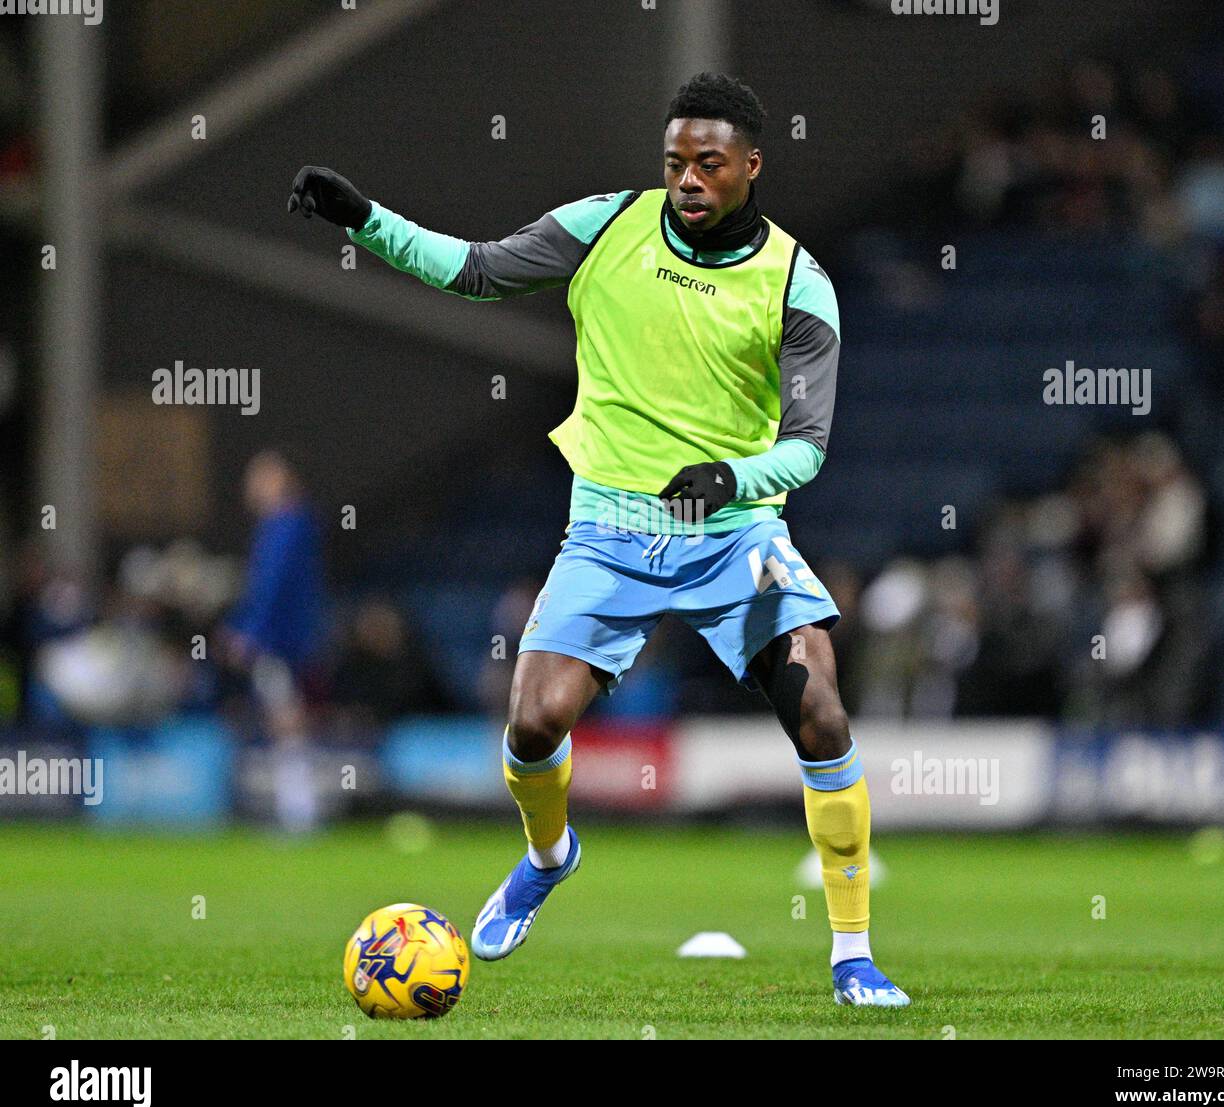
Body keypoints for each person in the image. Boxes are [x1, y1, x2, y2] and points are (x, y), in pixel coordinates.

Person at [288, 73, 907, 1006]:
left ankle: (853, 955)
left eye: (708, 163)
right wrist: (363, 218)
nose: (688, 180)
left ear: (751, 165)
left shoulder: (796, 282)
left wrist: (732, 480)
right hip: (609, 527)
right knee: (533, 721)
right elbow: (479, 269)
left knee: (819, 706)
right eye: (675, 163)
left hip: (732, 530)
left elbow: (808, 449)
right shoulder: (607, 224)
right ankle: (547, 856)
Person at [222, 450, 326, 833]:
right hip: (289, 636)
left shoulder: (286, 524)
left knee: (287, 719)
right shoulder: (291, 523)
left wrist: (251, 632)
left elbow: (271, 586)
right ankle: (297, 807)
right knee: (286, 718)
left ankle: (299, 811)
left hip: (283, 640)